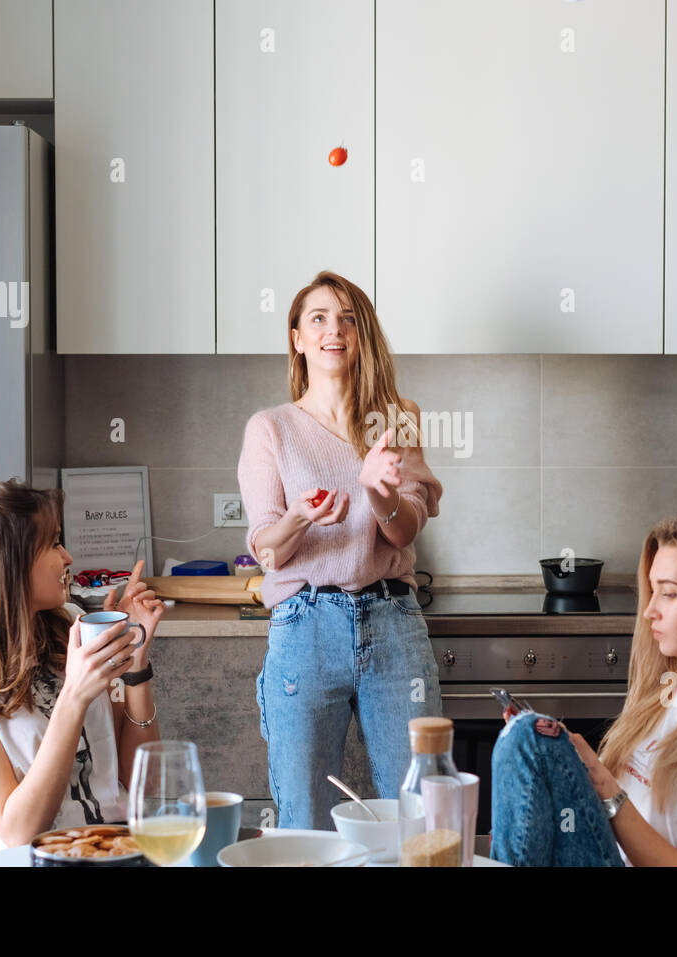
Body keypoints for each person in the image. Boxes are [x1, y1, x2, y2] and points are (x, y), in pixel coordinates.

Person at [237, 270, 444, 830]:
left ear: (364, 333)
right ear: (298, 338)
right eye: (319, 318)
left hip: (393, 621)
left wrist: (379, 495)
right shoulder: (270, 429)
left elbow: (406, 530)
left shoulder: (396, 418)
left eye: (349, 318)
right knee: (305, 818)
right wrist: (300, 518)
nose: (336, 330)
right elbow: (267, 550)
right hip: (305, 630)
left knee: (420, 811)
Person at [490, 513, 677, 866]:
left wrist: (606, 786)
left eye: (668, 593)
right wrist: (567, 758)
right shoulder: (666, 690)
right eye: (652, 592)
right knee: (531, 738)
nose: (650, 610)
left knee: (525, 739)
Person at [0, 479, 165, 853]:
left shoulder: (72, 628)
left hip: (113, 851)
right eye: (53, 544)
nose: (68, 558)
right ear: (9, 565)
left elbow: (143, 785)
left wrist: (134, 664)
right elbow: (17, 831)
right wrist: (75, 695)